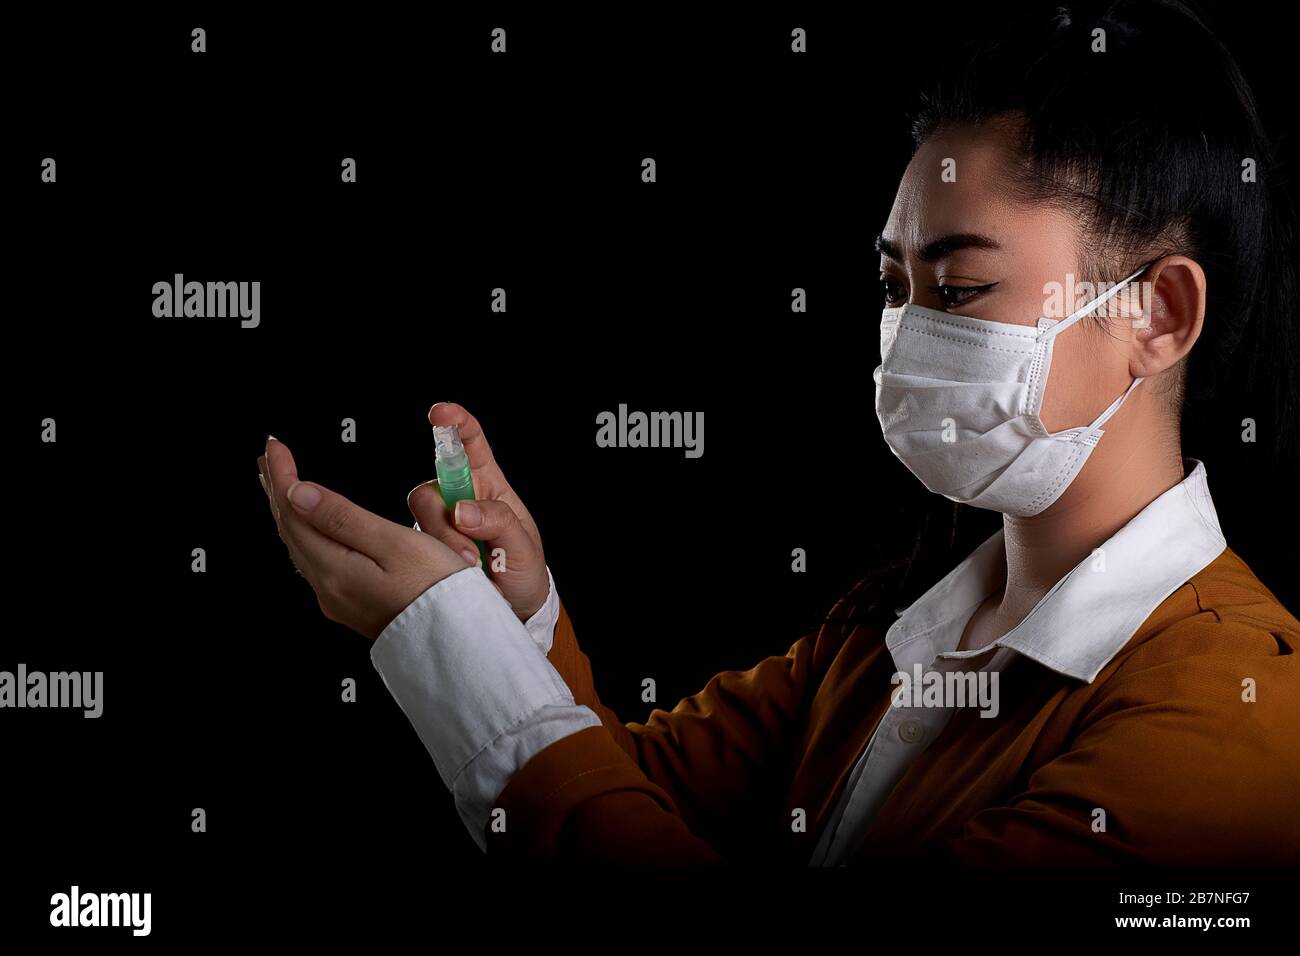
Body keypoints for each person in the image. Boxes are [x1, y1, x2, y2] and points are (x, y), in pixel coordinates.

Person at [257, 0, 1300, 864]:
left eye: (964, 286)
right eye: (895, 287)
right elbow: (625, 794)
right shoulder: (888, 631)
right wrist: (513, 617)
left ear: (1156, 313)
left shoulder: (1235, 715)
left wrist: (458, 650)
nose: (906, 336)